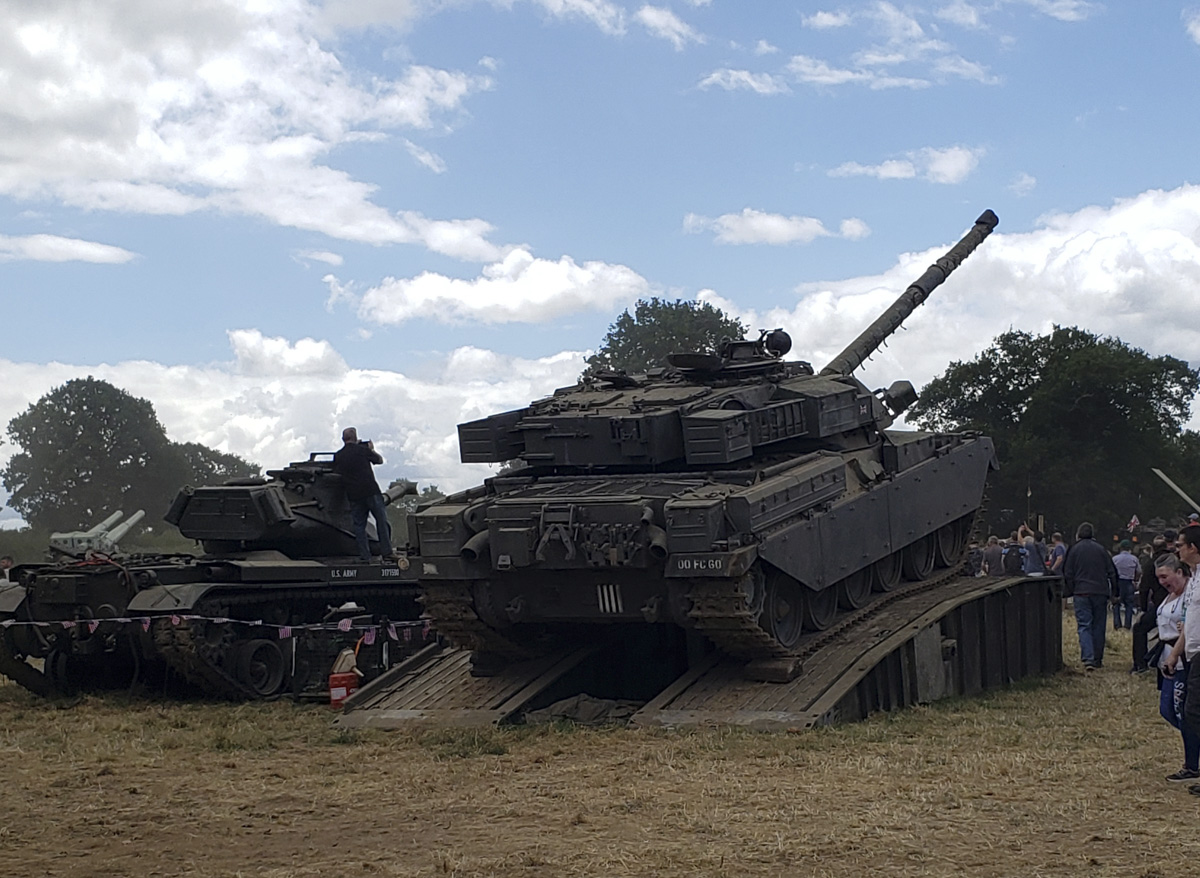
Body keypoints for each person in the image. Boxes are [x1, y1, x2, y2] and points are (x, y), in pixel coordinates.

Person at [1151, 554, 1199, 781]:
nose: (1162, 581)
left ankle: (1192, 762)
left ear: (1179, 572)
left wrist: (1184, 630)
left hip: (1182, 659)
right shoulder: (1170, 596)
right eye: (1158, 577)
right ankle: (1193, 745)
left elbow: (1189, 627)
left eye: (1165, 576)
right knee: (1167, 709)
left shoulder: (1190, 595)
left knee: (1184, 712)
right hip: (1167, 657)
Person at [1162, 524, 1200, 796]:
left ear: (1193, 548)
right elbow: (1190, 621)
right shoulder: (1195, 577)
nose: (1177, 549)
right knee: (1191, 713)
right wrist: (1176, 653)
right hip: (1193, 653)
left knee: (1193, 713)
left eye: (1181, 545)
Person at [332, 427, 394, 562]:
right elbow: (379, 460)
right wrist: (371, 449)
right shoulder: (363, 450)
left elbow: (337, 472)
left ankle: (365, 556)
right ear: (355, 438)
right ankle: (387, 552)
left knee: (359, 527)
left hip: (354, 495)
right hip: (370, 491)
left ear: (343, 439)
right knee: (381, 521)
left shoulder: (338, 455)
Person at [1063, 522, 1119, 670]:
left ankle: (1088, 658)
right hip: (1100, 591)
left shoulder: (1073, 550)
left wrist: (1071, 589)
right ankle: (1097, 658)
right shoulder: (1102, 550)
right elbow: (1112, 573)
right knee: (1099, 626)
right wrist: (1115, 593)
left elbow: (1067, 573)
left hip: (1081, 591)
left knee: (1084, 625)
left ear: (1078, 534)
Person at [1133, 536, 1171, 673]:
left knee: (1139, 629)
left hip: (1160, 604)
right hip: (1176, 602)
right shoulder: (1174, 560)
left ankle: (1140, 663)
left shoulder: (1151, 563)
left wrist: (1142, 609)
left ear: (1153, 549)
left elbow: (1143, 588)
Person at [1112, 540, 1140, 629]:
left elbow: (1111, 571)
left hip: (1118, 583)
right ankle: (1127, 625)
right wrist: (1135, 580)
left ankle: (1117, 624)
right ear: (1129, 548)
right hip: (1129, 582)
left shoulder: (1115, 558)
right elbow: (1139, 571)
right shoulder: (1134, 559)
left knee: (1116, 604)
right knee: (1129, 604)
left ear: (1121, 548)